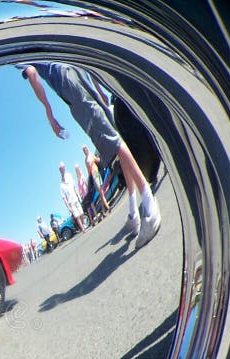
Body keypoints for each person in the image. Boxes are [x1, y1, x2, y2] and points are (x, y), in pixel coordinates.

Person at [19, 62, 160, 248]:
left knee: (111, 140)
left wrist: (49, 113)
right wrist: (98, 87)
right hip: (76, 70)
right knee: (115, 138)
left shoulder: (13, 43)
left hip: (66, 80)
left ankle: (149, 207)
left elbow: (32, 73)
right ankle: (134, 212)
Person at [58, 162, 86, 233]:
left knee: (81, 213)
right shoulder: (61, 185)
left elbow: (74, 187)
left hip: (75, 198)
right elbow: (64, 198)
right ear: (60, 170)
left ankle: (83, 225)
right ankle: (83, 228)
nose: (62, 169)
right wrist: (68, 207)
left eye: (63, 168)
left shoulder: (69, 176)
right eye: (61, 168)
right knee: (77, 216)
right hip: (71, 202)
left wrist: (78, 196)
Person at [83, 144, 111, 216]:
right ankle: (107, 207)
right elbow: (88, 170)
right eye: (83, 150)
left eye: (85, 148)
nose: (85, 150)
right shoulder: (86, 160)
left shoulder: (91, 155)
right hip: (94, 175)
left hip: (97, 173)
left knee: (101, 191)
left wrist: (99, 158)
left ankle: (103, 210)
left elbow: (97, 160)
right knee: (101, 191)